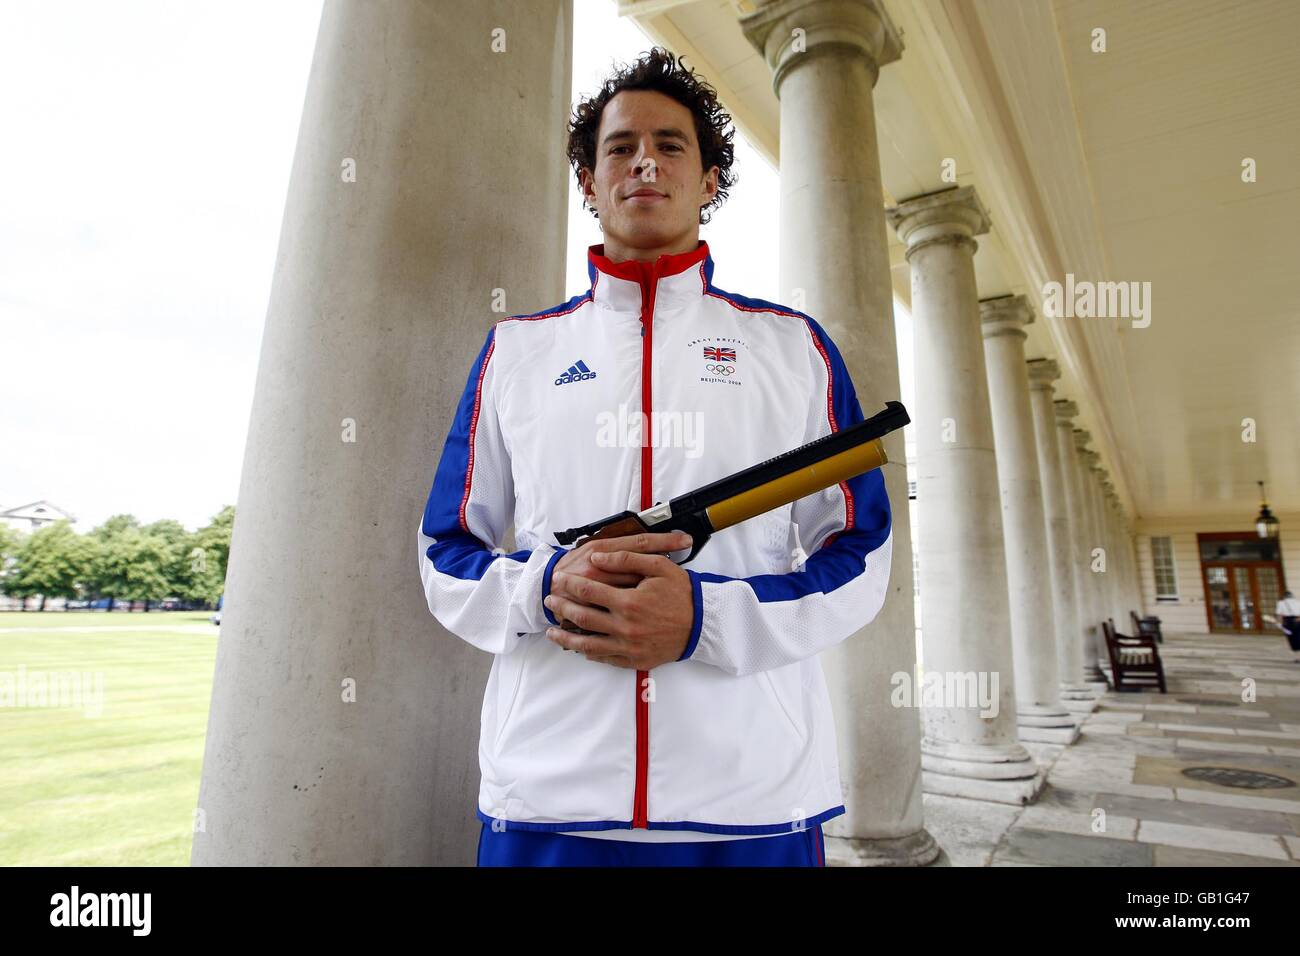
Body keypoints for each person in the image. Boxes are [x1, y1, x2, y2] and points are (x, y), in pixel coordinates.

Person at [417, 48, 892, 867]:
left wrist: (706, 619)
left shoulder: (793, 349)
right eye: (620, 145)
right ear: (588, 181)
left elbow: (861, 555)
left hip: (754, 799)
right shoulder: (515, 353)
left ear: (710, 181)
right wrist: (544, 585)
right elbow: (444, 553)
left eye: (672, 145)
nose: (645, 161)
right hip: (548, 800)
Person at [1275, 590, 1300, 661]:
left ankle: (1297, 657)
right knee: (1298, 636)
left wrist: (1278, 622)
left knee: (1291, 638)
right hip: (1297, 620)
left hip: (1287, 621)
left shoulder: (1281, 603)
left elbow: (1279, 614)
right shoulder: (1297, 602)